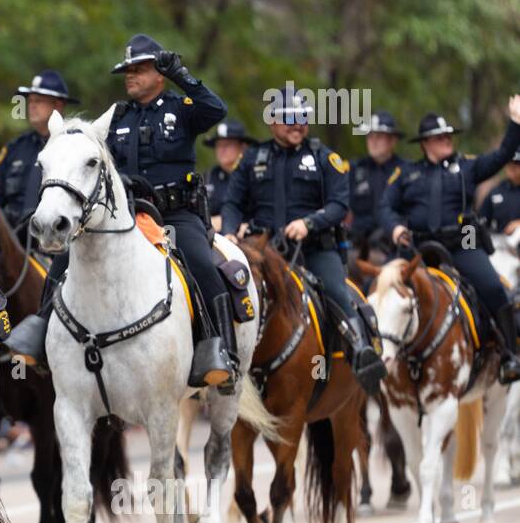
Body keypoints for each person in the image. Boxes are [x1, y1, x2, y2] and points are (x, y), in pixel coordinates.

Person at [6, 33, 237, 392]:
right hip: (126, 216)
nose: (130, 76)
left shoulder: (181, 108)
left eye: (139, 69)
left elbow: (216, 110)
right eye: (126, 70)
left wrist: (182, 75)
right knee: (62, 260)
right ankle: (40, 331)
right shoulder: (117, 116)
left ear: (158, 74)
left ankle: (220, 351)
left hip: (176, 215)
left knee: (202, 265)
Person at [221, 90, 386, 394]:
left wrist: (309, 223)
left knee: (338, 290)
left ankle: (362, 352)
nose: (298, 124)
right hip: (264, 251)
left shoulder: (325, 158)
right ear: (272, 121)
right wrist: (230, 230)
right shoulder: (252, 159)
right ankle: (220, 361)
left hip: (313, 250)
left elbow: (339, 204)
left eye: (303, 118)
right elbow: (232, 202)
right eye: (289, 118)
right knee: (227, 286)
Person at [381, 100, 520, 384]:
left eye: (448, 136)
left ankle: (509, 355)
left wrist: (515, 122)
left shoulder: (467, 166)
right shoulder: (407, 173)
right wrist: (395, 228)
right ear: (425, 144)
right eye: (439, 137)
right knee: (381, 288)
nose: (446, 141)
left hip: (462, 241)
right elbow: (385, 206)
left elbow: (504, 154)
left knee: (493, 287)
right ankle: (374, 353)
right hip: (418, 246)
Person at [0, 70, 80, 229]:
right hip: (12, 243)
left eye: (38, 101)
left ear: (58, 105)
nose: (31, 106)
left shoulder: (75, 147)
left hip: (57, 238)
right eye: (30, 100)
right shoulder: (15, 148)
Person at [348, 110, 408, 262]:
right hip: (356, 246)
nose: (373, 141)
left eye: (379, 137)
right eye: (370, 136)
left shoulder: (406, 171)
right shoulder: (354, 169)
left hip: (392, 246)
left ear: (393, 140)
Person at [203, 118, 251, 232]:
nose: (222, 150)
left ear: (242, 147)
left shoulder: (254, 176)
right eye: (219, 145)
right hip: (215, 238)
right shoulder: (208, 178)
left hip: (247, 238)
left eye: (228, 145)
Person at [480, 148, 520, 236]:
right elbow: (481, 222)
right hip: (501, 244)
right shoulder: (496, 191)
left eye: (517, 163)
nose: (512, 166)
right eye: (509, 162)